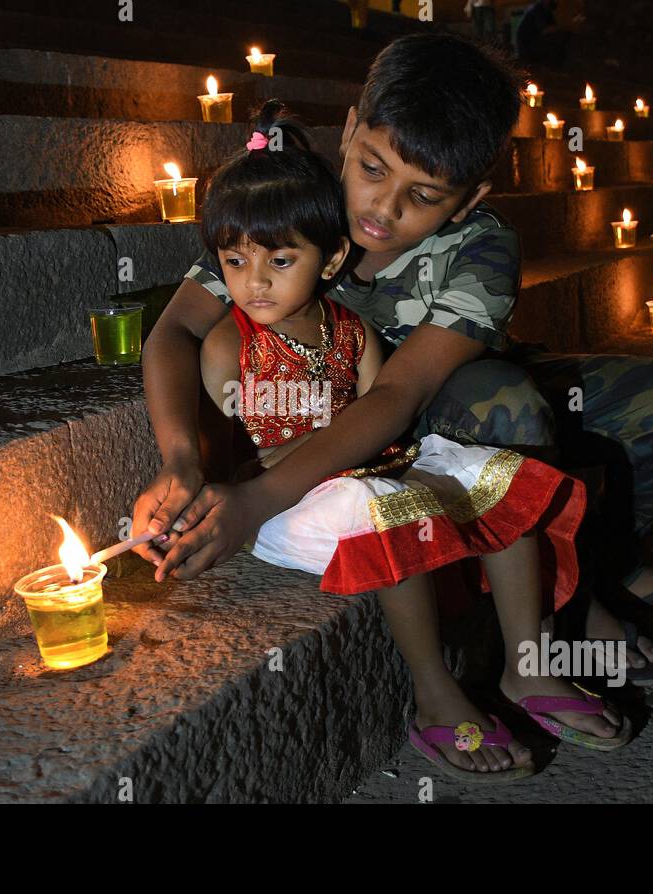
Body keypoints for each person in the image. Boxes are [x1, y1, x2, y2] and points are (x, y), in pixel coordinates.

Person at [133, 33, 653, 678]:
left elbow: (400, 393)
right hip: (380, 422)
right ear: (350, 131)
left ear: (468, 198)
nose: (385, 209)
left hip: (431, 401)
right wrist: (183, 459)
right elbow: (175, 330)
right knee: (507, 405)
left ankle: (604, 561)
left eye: (426, 196)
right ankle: (568, 602)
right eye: (374, 168)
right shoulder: (296, 203)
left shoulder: (483, 248)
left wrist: (260, 497)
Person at [189, 100, 630, 779]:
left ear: (330, 256)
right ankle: (434, 694)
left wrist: (380, 462)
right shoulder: (229, 344)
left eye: (279, 260)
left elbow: (381, 415)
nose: (255, 282)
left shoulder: (352, 334)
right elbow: (235, 450)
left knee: (495, 476)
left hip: (353, 476)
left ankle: (528, 665)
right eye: (235, 262)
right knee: (391, 506)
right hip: (279, 508)